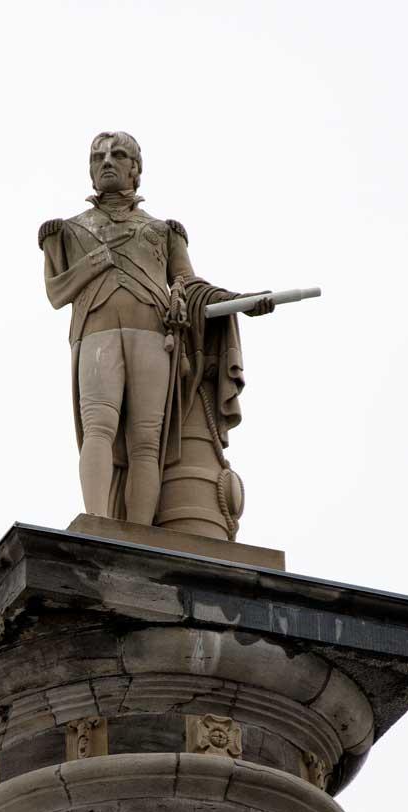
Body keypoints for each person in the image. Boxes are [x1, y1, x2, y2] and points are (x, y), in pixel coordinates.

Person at [39, 131, 273, 529]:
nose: (107, 162)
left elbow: (191, 285)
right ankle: (97, 521)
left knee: (147, 441)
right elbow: (56, 293)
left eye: (117, 155)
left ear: (136, 170)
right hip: (96, 332)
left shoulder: (164, 231)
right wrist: (88, 260)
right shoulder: (67, 230)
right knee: (99, 425)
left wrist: (244, 301)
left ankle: (141, 533)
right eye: (98, 157)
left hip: (152, 336)